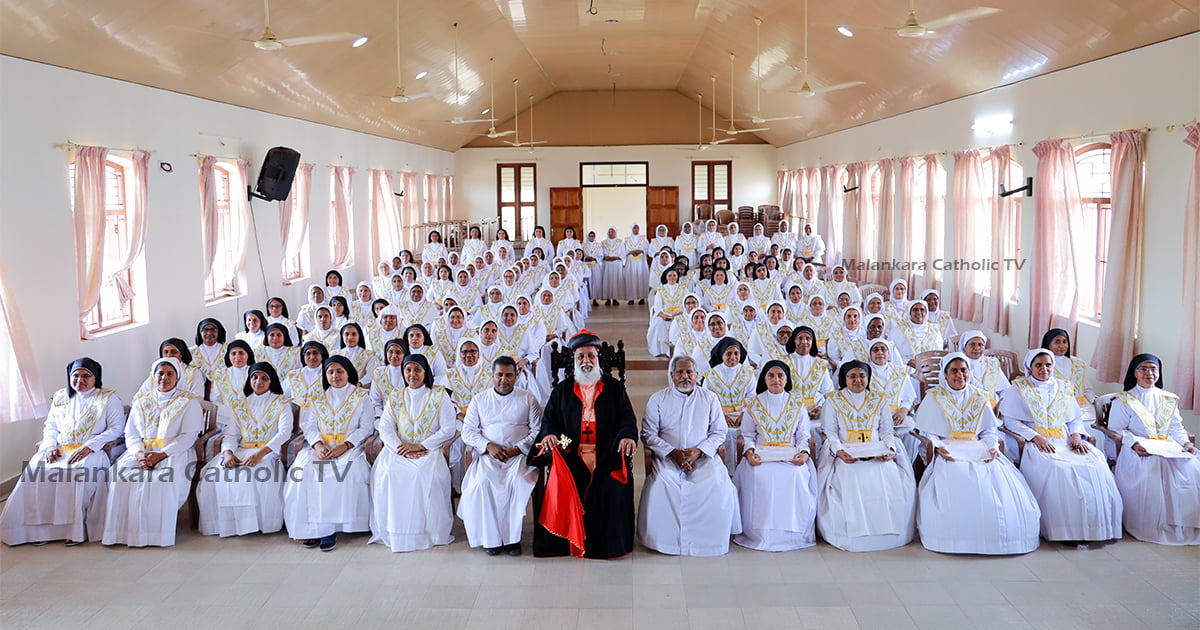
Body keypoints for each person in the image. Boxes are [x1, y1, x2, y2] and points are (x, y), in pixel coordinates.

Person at [913, 353, 1041, 555]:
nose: (959, 375)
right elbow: (928, 431)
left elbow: (989, 430)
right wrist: (938, 446)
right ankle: (957, 538)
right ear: (945, 374)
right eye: (954, 371)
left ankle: (997, 536)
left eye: (963, 370)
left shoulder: (980, 396)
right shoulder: (934, 397)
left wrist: (992, 447)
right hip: (949, 449)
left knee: (994, 476)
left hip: (978, 448)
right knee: (957, 474)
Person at [530, 330, 639, 559]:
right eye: (581, 357)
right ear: (574, 360)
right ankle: (564, 542)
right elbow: (550, 421)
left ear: (598, 359)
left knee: (611, 485)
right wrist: (551, 435)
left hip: (606, 450)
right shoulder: (562, 390)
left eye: (591, 356)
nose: (586, 361)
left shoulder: (614, 388)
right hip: (571, 450)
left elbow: (626, 419)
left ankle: (605, 544)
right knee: (563, 478)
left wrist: (627, 436)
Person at [998, 349, 1122, 543]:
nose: (1044, 369)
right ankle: (1063, 530)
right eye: (1038, 365)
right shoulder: (1018, 388)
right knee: (1056, 468)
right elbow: (1011, 421)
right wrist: (1035, 437)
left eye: (1048, 365)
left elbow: (1075, 419)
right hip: (1037, 442)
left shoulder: (1063, 387)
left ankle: (1094, 527)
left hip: (1066, 440)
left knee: (1095, 463)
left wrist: (1076, 436)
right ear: (1030, 367)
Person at [1, 358, 124, 546]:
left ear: (96, 377)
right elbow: (50, 426)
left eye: (86, 376)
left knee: (77, 474)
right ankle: (39, 530)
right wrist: (50, 446)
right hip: (59, 450)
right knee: (36, 471)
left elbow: (116, 428)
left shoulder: (109, 398)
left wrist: (90, 446)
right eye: (76, 375)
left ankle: (72, 531)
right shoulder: (60, 397)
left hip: (91, 451)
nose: (80, 380)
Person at [639, 356, 741, 556]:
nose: (684, 376)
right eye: (679, 372)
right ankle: (666, 542)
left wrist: (698, 451)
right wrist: (672, 452)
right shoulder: (658, 399)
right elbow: (648, 434)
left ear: (697, 375)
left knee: (717, 483)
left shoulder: (709, 398)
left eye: (689, 372)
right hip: (667, 458)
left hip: (703, 457)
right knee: (664, 484)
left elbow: (719, 432)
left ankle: (709, 541)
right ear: (672, 375)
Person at [102, 358, 203, 547]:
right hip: (141, 452)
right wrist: (138, 454)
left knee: (162, 481)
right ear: (153, 376)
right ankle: (122, 534)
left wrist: (161, 454)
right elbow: (131, 433)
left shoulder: (189, 402)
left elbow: (188, 436)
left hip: (175, 451)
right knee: (119, 477)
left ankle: (156, 536)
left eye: (170, 374)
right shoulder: (142, 400)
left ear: (178, 377)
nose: (164, 378)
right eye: (160, 373)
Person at [817, 361, 916, 552]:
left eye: (862, 376)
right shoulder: (833, 400)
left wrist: (889, 449)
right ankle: (854, 534)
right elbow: (830, 432)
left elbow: (886, 430)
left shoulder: (879, 399)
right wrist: (839, 452)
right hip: (846, 450)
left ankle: (887, 533)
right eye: (852, 376)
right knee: (851, 474)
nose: (858, 380)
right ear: (844, 379)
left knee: (886, 471)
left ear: (868, 378)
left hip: (876, 450)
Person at [1106, 354, 1200, 545]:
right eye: (1143, 368)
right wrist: (1134, 444)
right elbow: (1118, 429)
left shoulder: (1168, 399)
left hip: (1168, 445)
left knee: (1192, 465)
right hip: (1138, 446)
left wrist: (1186, 444)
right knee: (1155, 464)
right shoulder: (1124, 400)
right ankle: (1155, 524)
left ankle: (1185, 523)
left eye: (1153, 369)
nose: (1149, 373)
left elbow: (1176, 428)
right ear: (1135, 373)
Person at [283, 356, 372, 551]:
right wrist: (317, 445)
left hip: (349, 448)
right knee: (303, 471)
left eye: (339, 371)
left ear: (348, 373)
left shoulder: (361, 396)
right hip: (321, 448)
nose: (335, 376)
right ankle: (309, 528)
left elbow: (366, 427)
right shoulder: (318, 396)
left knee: (343, 473)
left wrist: (346, 445)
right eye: (330, 372)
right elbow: (309, 426)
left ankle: (329, 530)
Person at [369, 354, 457, 552]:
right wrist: (400, 448)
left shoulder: (439, 394)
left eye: (417, 369)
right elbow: (385, 426)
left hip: (429, 449)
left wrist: (421, 446)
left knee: (420, 474)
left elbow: (448, 428)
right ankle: (394, 530)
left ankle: (423, 532)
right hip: (399, 450)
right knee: (388, 473)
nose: (412, 374)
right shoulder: (396, 395)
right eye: (408, 370)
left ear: (426, 372)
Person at [196, 362, 293, 537]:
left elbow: (284, 433)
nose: (258, 382)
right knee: (217, 474)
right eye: (254, 377)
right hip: (242, 450)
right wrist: (228, 453)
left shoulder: (282, 402)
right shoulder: (240, 404)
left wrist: (259, 454)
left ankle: (255, 524)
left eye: (264, 378)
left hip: (268, 453)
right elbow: (231, 435)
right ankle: (230, 525)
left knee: (254, 473)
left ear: (271, 381)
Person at [457, 356, 542, 556]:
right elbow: (468, 432)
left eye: (509, 375)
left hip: (519, 456)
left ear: (516, 376)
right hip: (489, 456)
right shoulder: (479, 399)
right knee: (483, 483)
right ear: (492, 376)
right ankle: (491, 539)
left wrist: (517, 449)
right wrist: (488, 446)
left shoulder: (528, 398)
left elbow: (538, 430)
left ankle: (513, 540)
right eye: (499, 375)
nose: (504, 380)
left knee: (517, 483)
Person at [733, 360, 818, 551]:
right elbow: (747, 435)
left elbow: (803, 435)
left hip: (792, 457)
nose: (776, 379)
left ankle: (793, 534)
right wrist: (749, 452)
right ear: (764, 379)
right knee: (758, 474)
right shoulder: (753, 403)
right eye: (771, 375)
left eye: (780, 375)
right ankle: (761, 534)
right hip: (761, 457)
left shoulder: (797, 403)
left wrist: (804, 453)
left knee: (796, 475)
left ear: (787, 379)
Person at [704, 338, 757, 475]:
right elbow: (707, 402)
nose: (733, 357)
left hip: (744, 415)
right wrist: (722, 415)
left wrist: (744, 414)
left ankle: (744, 472)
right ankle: (726, 473)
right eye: (729, 354)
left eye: (736, 353)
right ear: (722, 355)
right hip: (719, 416)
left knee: (746, 435)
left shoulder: (748, 373)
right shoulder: (711, 375)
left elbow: (752, 398)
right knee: (725, 435)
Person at [597, 227, 627, 305]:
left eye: (612, 232)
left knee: (616, 280)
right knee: (607, 280)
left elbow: (623, 254)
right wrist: (605, 257)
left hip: (616, 264)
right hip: (607, 264)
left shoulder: (620, 242)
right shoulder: (603, 243)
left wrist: (615, 257)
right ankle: (607, 298)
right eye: (609, 232)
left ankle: (615, 298)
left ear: (615, 233)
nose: (611, 233)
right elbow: (600, 253)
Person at [623, 223, 649, 305]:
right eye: (634, 228)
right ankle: (631, 298)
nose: (636, 229)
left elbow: (647, 249)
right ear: (632, 229)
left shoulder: (643, 239)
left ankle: (642, 297)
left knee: (641, 278)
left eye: (637, 228)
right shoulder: (627, 240)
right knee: (631, 279)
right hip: (631, 262)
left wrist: (641, 251)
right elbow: (624, 251)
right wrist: (631, 252)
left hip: (641, 262)